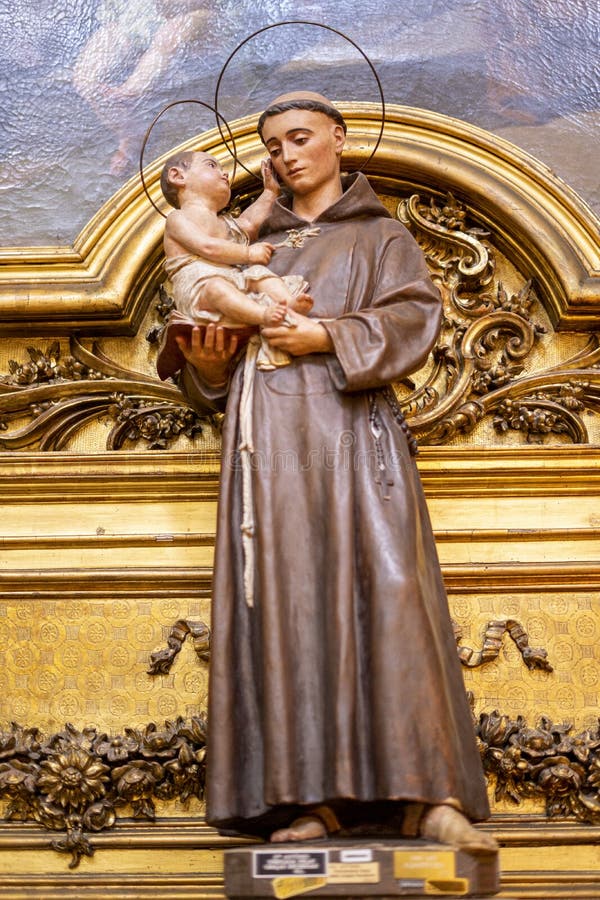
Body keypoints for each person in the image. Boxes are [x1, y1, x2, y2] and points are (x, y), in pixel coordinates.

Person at [174, 91, 497, 852]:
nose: (288, 155)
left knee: (392, 600)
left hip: (356, 440)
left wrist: (327, 334)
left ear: (339, 140)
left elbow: (413, 318)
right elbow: (205, 359)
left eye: (301, 138)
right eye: (275, 146)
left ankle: (431, 796)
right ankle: (309, 799)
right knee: (291, 608)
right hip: (271, 447)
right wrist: (207, 366)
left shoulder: (380, 235)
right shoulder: (239, 240)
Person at [157, 150, 313, 380]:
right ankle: (264, 315)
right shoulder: (178, 219)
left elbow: (249, 222)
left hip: (229, 280)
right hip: (200, 287)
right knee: (217, 287)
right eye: (212, 165)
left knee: (259, 273)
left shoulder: (224, 223)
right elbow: (207, 247)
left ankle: (288, 304)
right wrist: (248, 253)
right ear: (177, 176)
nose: (225, 173)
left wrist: (270, 192)